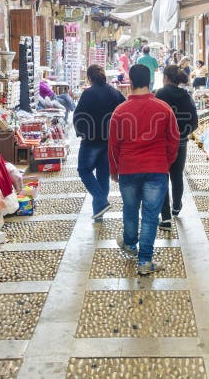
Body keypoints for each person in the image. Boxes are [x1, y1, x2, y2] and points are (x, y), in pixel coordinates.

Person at [109, 65, 179, 275]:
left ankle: (130, 243)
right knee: (150, 216)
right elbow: (174, 140)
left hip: (128, 169)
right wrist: (165, 162)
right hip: (156, 169)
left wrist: (114, 170)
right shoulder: (163, 108)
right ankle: (145, 262)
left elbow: (113, 145)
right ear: (150, 81)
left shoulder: (120, 111)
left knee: (130, 209)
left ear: (130, 82)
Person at [73, 65, 126, 222]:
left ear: (89, 78)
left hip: (91, 141)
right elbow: (125, 111)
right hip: (109, 141)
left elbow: (78, 117)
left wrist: (81, 133)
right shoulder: (114, 93)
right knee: (103, 175)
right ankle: (99, 214)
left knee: (84, 170)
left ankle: (101, 202)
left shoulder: (88, 94)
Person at [154, 66, 198, 231]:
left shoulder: (159, 94)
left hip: (162, 143)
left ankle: (165, 218)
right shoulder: (185, 96)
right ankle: (177, 206)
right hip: (180, 142)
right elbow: (194, 122)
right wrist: (181, 134)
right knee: (177, 175)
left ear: (165, 77)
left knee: (162, 177)